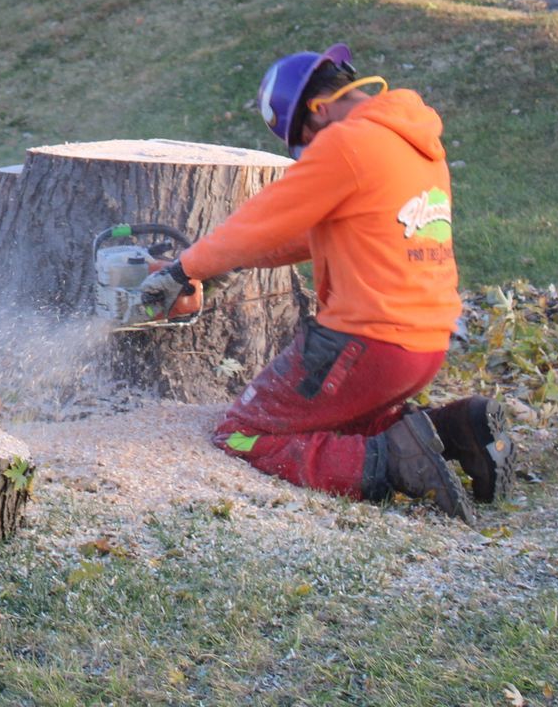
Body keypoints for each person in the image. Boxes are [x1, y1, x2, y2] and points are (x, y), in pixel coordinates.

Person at [147, 45, 512, 523]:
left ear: (319, 111)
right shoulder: (410, 142)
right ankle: (456, 428)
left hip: (365, 342)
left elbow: (265, 218)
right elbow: (309, 232)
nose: (308, 153)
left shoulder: (347, 144)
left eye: (303, 141)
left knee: (242, 432)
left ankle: (394, 466)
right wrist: (224, 266)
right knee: (337, 418)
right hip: (422, 346)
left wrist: (182, 269)